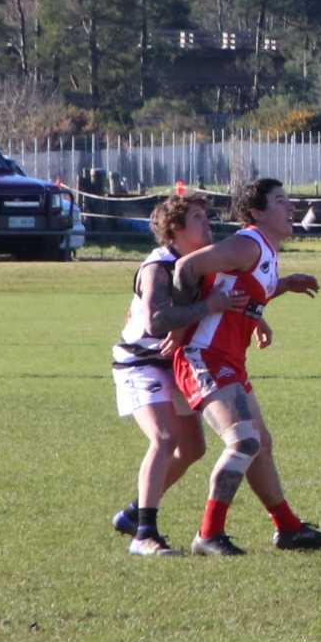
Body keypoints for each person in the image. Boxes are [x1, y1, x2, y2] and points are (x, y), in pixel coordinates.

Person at [169, 178, 321, 555]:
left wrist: (284, 285)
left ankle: (289, 529)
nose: (290, 207)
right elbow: (185, 267)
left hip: (229, 359)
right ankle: (208, 534)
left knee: (260, 444)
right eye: (280, 201)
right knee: (244, 441)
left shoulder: (264, 251)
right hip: (204, 357)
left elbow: (242, 291)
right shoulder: (247, 244)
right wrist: (180, 324)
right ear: (257, 212)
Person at [109, 195, 239, 555]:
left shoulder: (198, 263)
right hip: (141, 363)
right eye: (198, 217)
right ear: (175, 229)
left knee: (193, 448)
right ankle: (144, 535)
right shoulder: (158, 267)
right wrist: (206, 307)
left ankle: (134, 513)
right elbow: (155, 321)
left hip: (174, 363)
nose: (207, 223)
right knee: (165, 438)